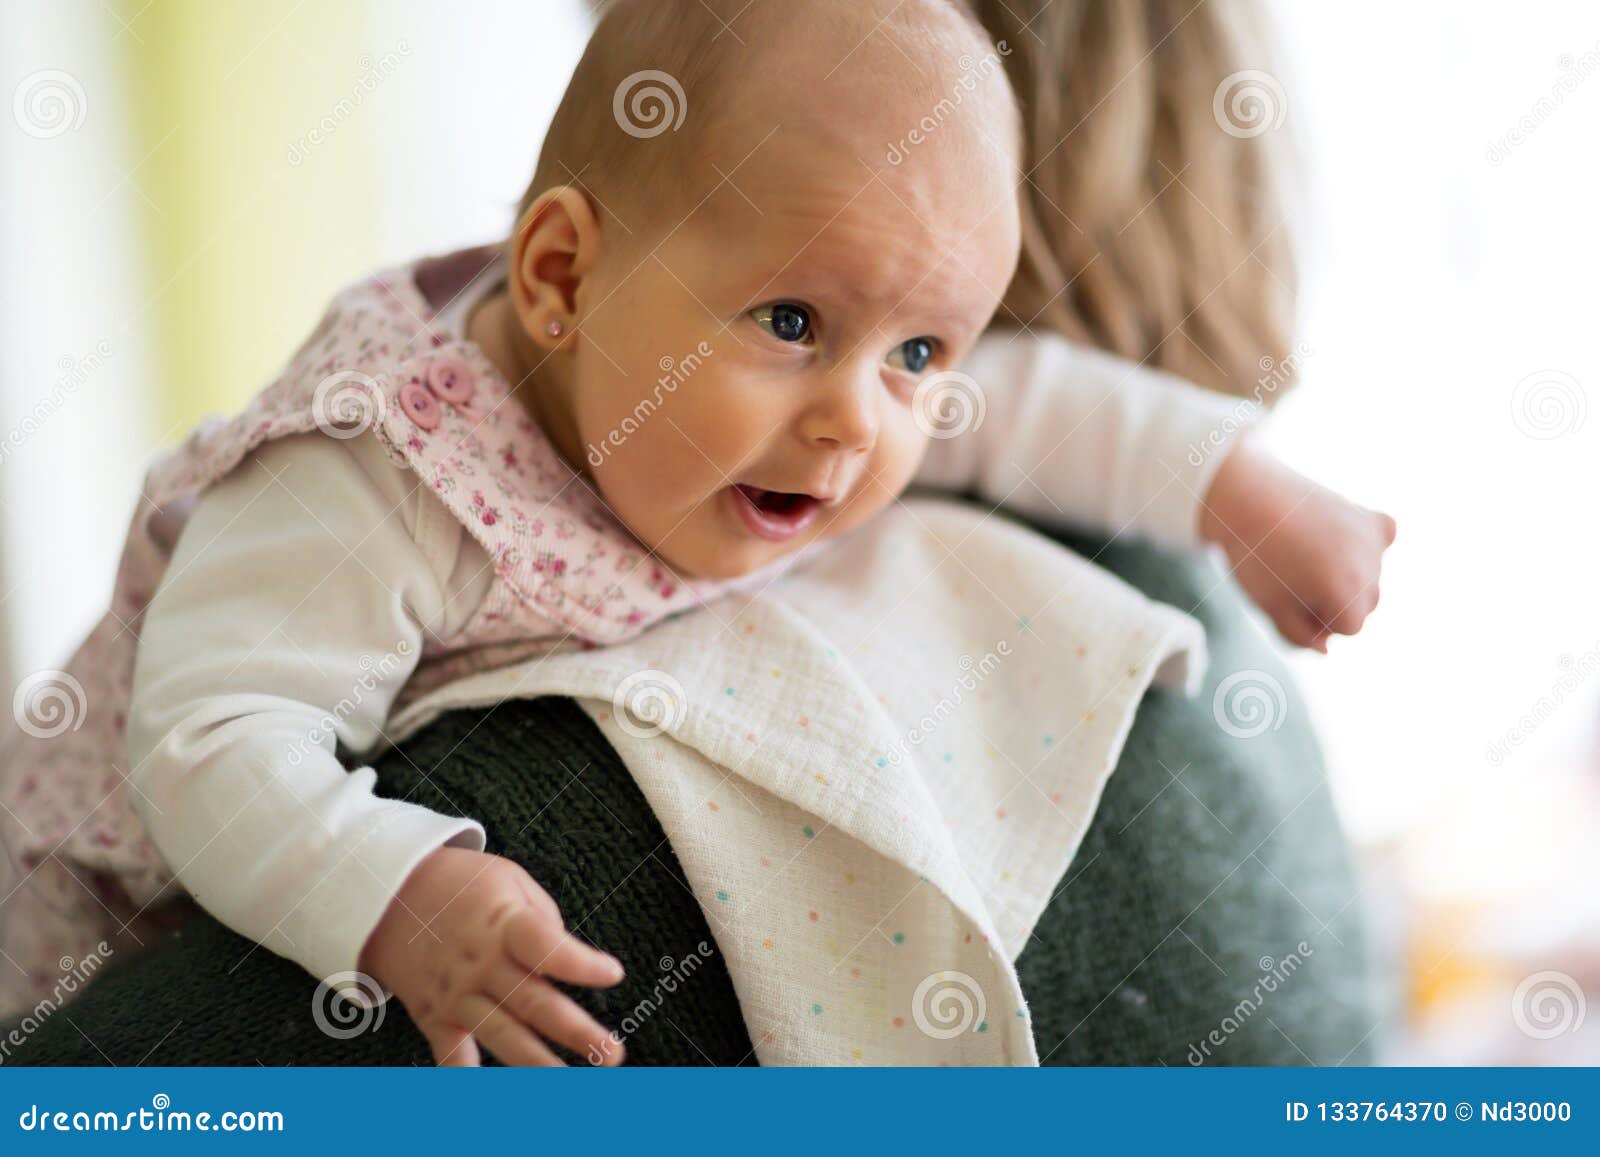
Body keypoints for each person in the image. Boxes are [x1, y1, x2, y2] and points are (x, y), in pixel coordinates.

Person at [0, 0, 1389, 1066]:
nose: (857, 421)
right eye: (791, 322)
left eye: (919, 351)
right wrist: (394, 892)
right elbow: (212, 734)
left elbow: (1024, 403)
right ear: (560, 275)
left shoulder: (799, 392)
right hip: (94, 922)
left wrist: (1239, 489)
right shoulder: (377, 472)